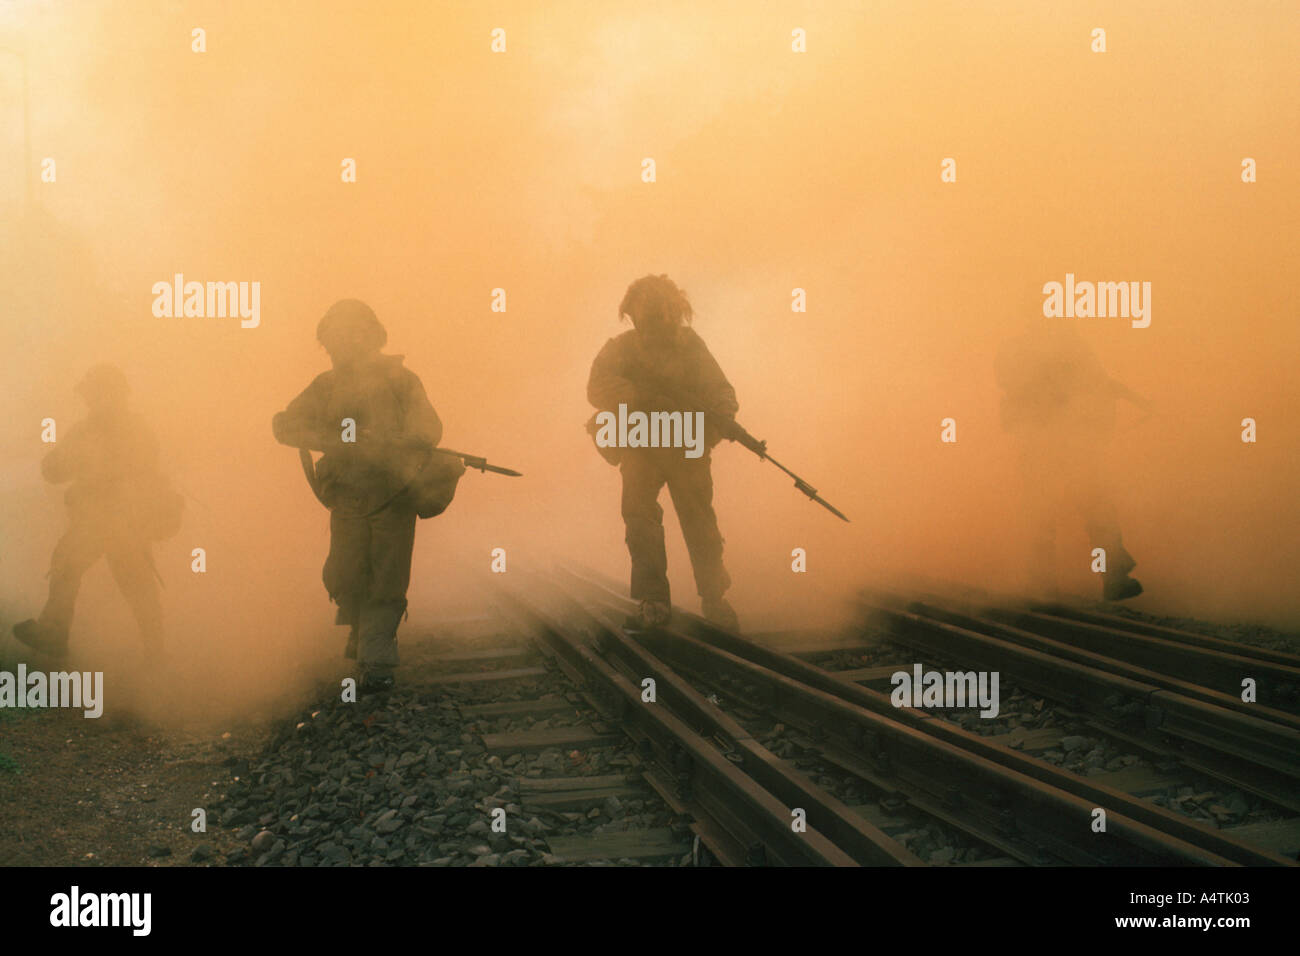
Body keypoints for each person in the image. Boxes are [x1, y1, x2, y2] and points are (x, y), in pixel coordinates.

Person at [272, 299, 442, 692]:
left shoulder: (401, 380)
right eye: (330, 341)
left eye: (344, 337)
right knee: (346, 572)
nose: (336, 348)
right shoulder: (325, 386)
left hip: (394, 492)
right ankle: (361, 632)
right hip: (347, 495)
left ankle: (377, 658)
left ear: (368, 337)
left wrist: (390, 442)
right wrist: (318, 435)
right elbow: (289, 424)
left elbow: (429, 429)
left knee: (387, 575)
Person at [587, 274, 740, 630]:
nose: (653, 324)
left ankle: (714, 597)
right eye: (646, 317)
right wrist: (639, 396)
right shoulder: (622, 349)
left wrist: (722, 422)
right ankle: (653, 599)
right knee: (641, 522)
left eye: (660, 316)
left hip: (685, 445)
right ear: (635, 317)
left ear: (673, 314)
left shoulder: (691, 347)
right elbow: (596, 387)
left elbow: (720, 391)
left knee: (700, 523)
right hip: (642, 445)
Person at [13, 364, 178, 657]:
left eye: (95, 393)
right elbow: (54, 471)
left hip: (116, 521)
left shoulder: (117, 431)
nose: (90, 400)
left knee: (90, 571)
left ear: (112, 394)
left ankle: (57, 633)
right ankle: (156, 656)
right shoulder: (100, 430)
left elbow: (146, 474)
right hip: (115, 522)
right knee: (129, 585)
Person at [995, 324, 1148, 601]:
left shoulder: (1024, 349)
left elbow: (1101, 384)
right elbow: (1101, 384)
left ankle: (1052, 585)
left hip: (1064, 444)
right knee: (1087, 512)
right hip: (1058, 444)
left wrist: (1138, 401)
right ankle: (1104, 578)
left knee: (1067, 512)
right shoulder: (1046, 348)